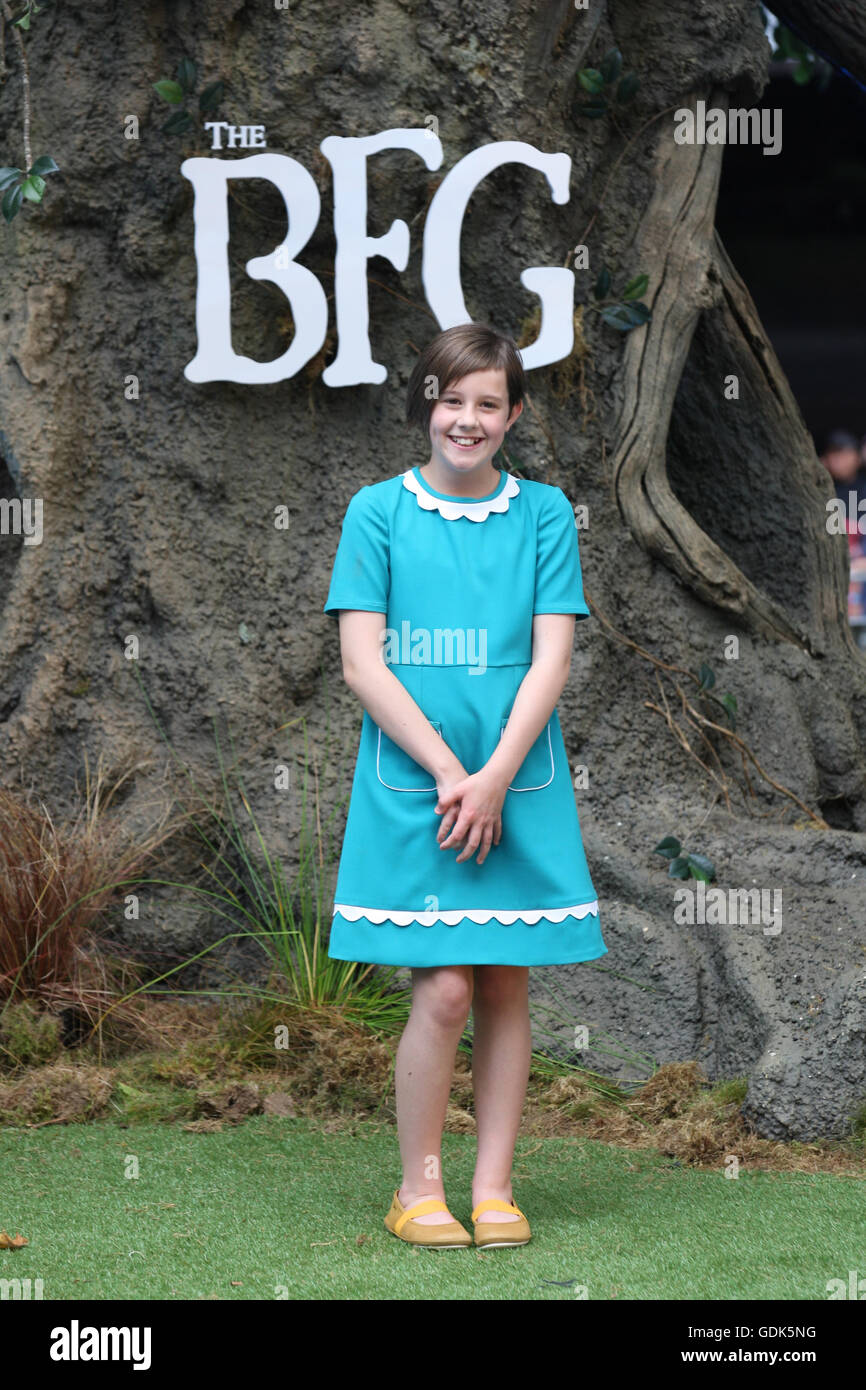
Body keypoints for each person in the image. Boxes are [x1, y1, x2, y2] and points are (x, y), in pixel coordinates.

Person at [322, 322, 607, 1250]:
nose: (468, 418)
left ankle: (494, 1192)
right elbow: (363, 663)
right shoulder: (376, 512)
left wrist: (496, 777)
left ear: (514, 414)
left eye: (488, 403)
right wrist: (452, 774)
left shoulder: (547, 514)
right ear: (426, 407)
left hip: (515, 781)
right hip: (418, 787)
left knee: (504, 985)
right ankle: (417, 1189)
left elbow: (551, 660)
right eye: (452, 399)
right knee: (443, 989)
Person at [819, 428, 866, 643]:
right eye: (834, 454)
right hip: (830, 575)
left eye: (845, 453)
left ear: (858, 456)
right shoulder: (819, 492)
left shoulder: (863, 491)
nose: (839, 460)